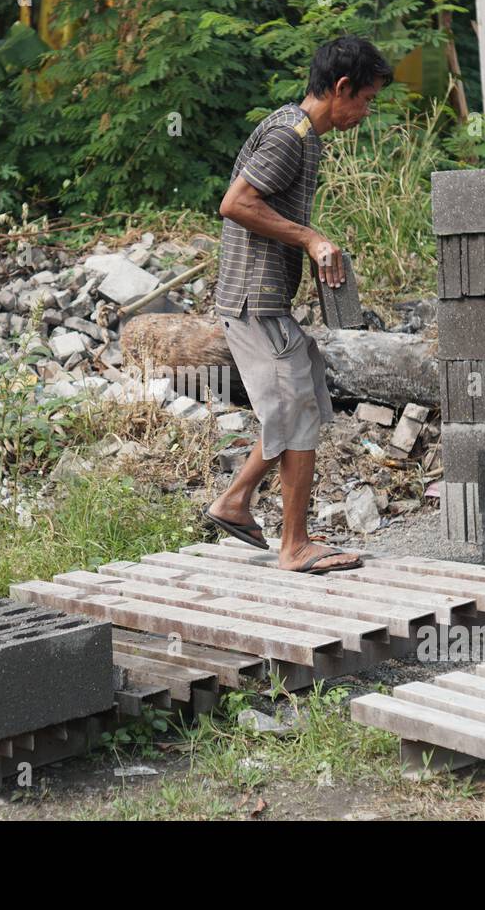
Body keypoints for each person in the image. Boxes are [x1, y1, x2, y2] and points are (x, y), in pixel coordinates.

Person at [204, 35, 391, 575]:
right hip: (253, 302)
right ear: (341, 88)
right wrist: (310, 239)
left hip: (264, 301)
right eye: (366, 99)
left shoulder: (306, 136)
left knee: (298, 398)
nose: (366, 112)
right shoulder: (290, 135)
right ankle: (294, 545)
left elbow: (265, 213)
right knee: (297, 411)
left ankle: (234, 502)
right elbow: (235, 204)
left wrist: (308, 245)